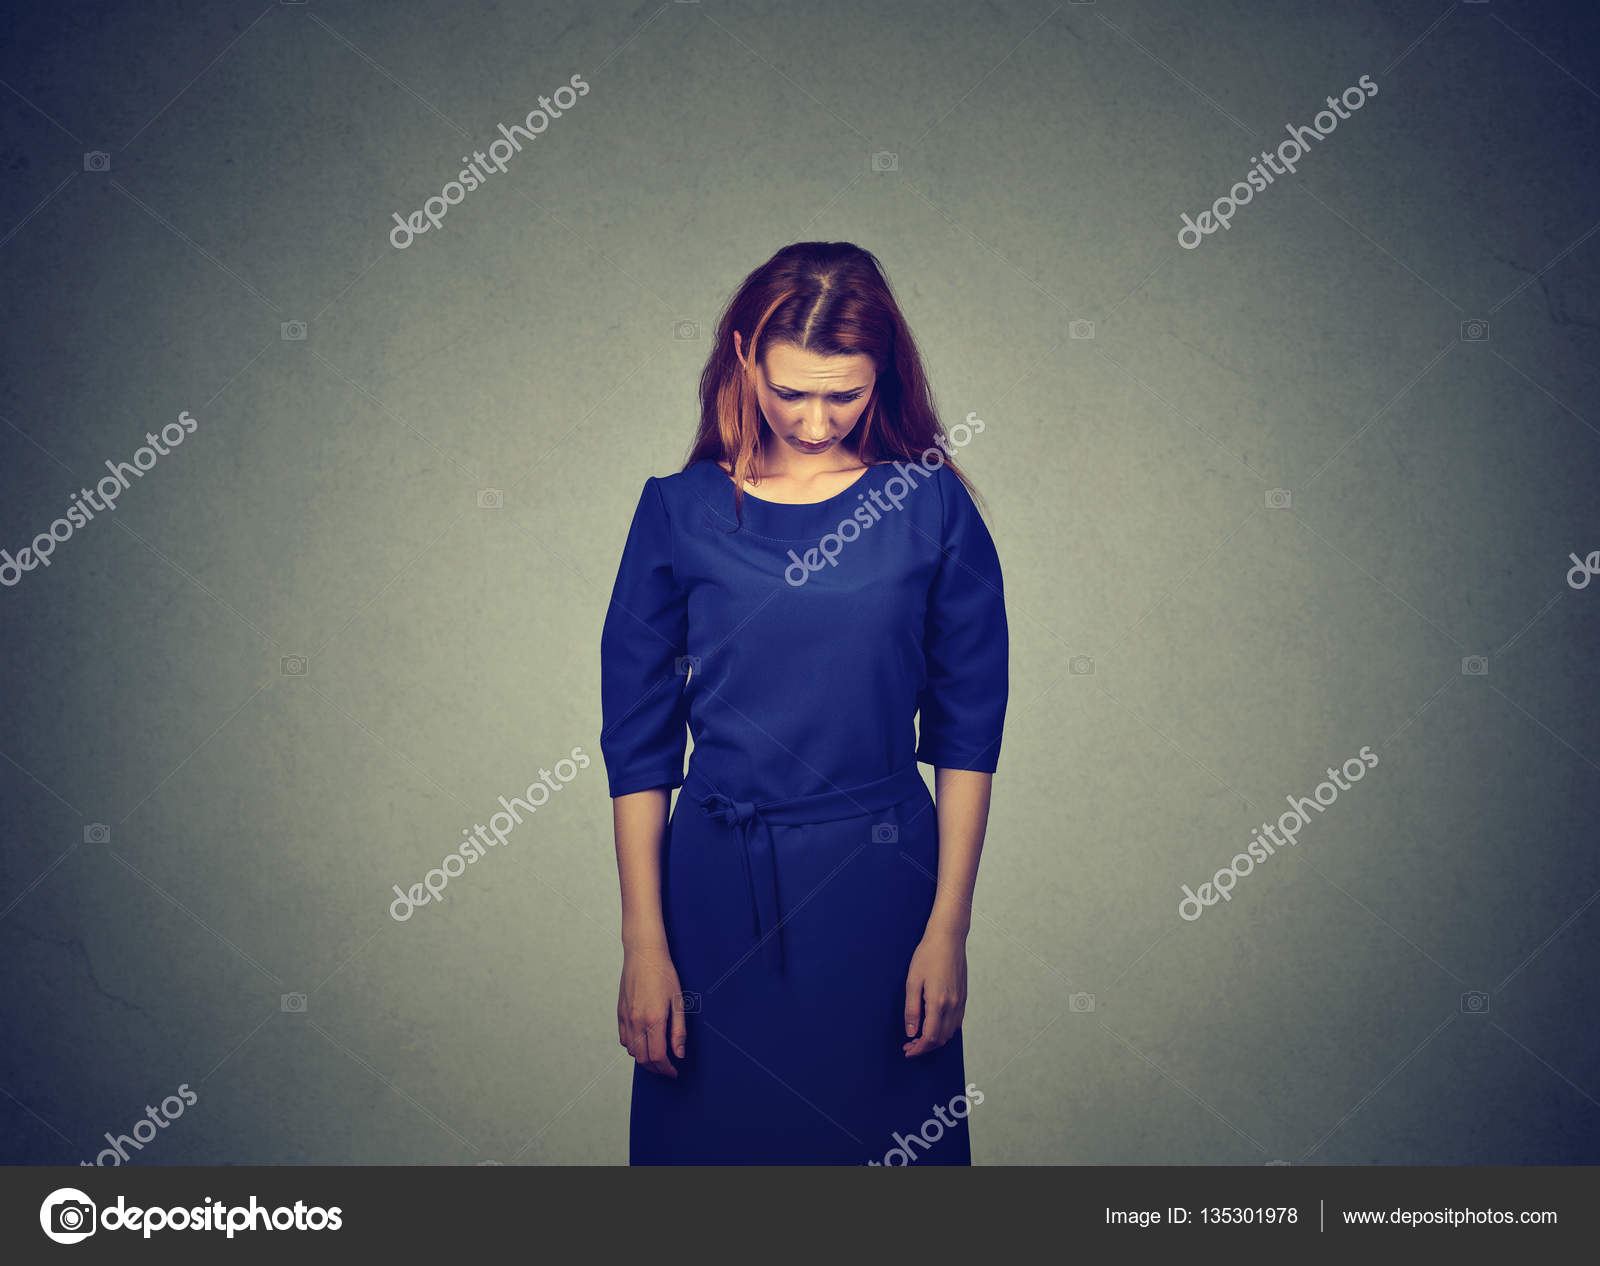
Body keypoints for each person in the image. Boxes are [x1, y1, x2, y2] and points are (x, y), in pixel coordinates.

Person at [600, 241, 1008, 1164]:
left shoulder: (933, 507)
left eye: (846, 394)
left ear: (883, 380)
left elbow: (969, 734)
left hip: (880, 885)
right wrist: (643, 943)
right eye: (791, 392)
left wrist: (949, 927)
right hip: (710, 896)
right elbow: (639, 747)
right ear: (744, 356)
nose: (817, 421)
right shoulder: (676, 509)